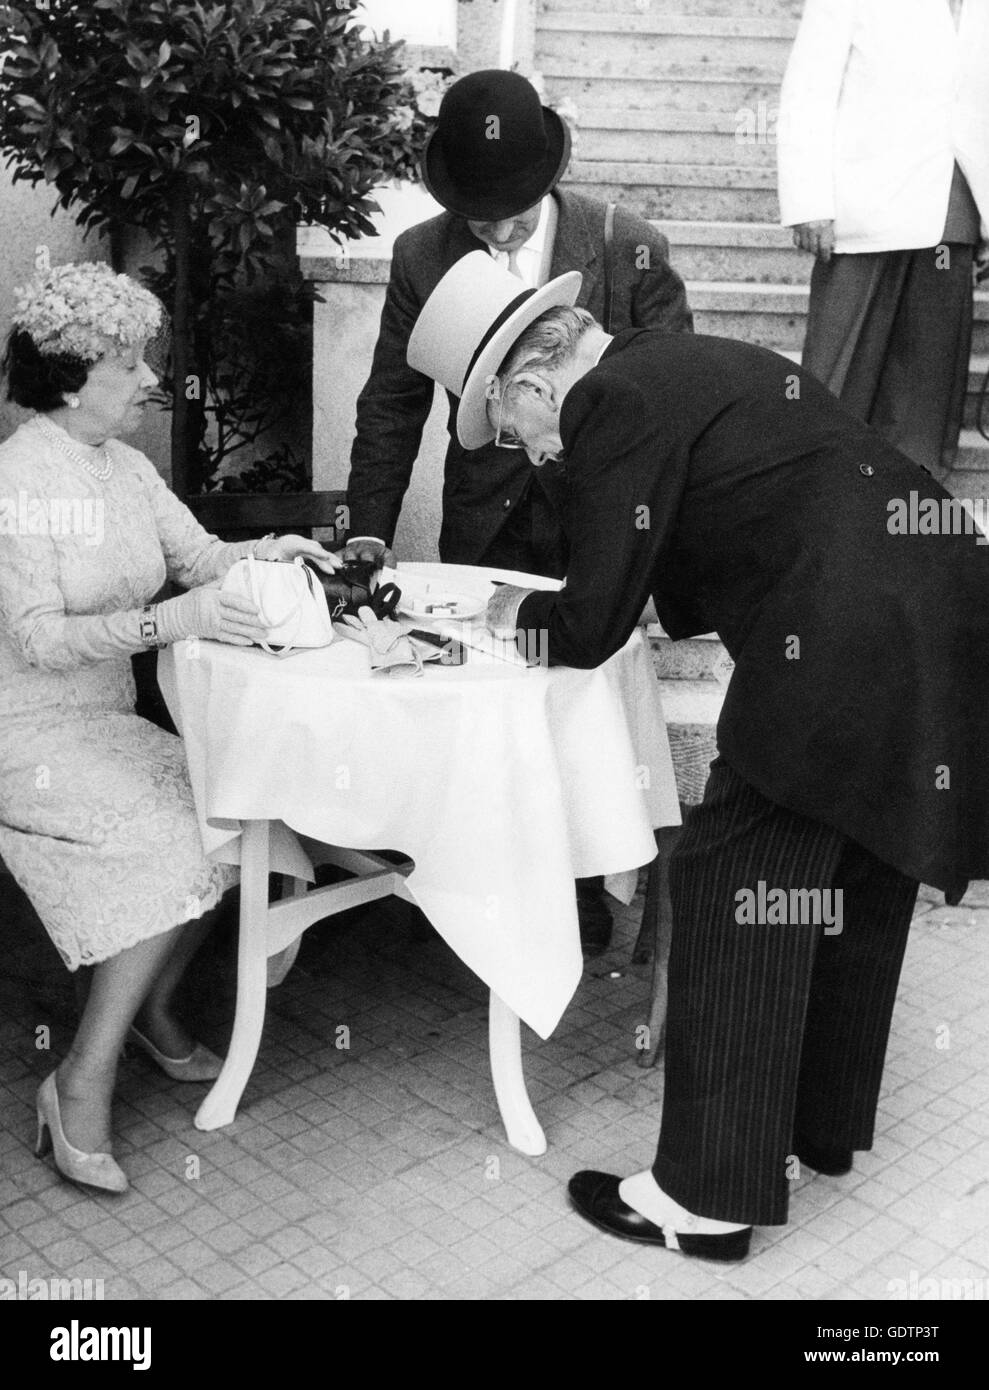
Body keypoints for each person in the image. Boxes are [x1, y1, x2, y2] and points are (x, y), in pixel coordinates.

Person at [406, 250, 989, 1260]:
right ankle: (813, 1129)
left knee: (731, 871)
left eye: (514, 430)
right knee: (853, 863)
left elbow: (586, 624)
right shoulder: (674, 364)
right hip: (938, 594)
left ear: (535, 381)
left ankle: (707, 1197)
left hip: (850, 629)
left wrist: (497, 610)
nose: (534, 456)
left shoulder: (608, 404)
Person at [0, 261, 340, 1193]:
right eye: (130, 361)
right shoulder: (20, 479)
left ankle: (146, 1007)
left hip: (106, 725)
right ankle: (79, 1079)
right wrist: (169, 623)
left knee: (240, 824)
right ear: (71, 376)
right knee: (168, 844)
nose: (154, 377)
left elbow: (203, 559)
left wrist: (276, 551)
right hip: (25, 739)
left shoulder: (130, 467)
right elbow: (34, 640)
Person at [345, 68, 692, 954]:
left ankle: (574, 887)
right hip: (485, 519)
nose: (496, 231)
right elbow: (392, 403)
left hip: (600, 515)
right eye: (479, 216)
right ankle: (465, 881)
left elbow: (669, 405)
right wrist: (368, 530)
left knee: (576, 692)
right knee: (485, 692)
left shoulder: (628, 244)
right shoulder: (421, 254)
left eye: (516, 213)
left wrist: (654, 552)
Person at [777, 0, 989, 476]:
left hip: (955, 208)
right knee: (838, 375)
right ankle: (814, 487)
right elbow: (808, 91)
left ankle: (907, 497)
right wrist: (809, 201)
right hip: (864, 207)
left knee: (926, 390)